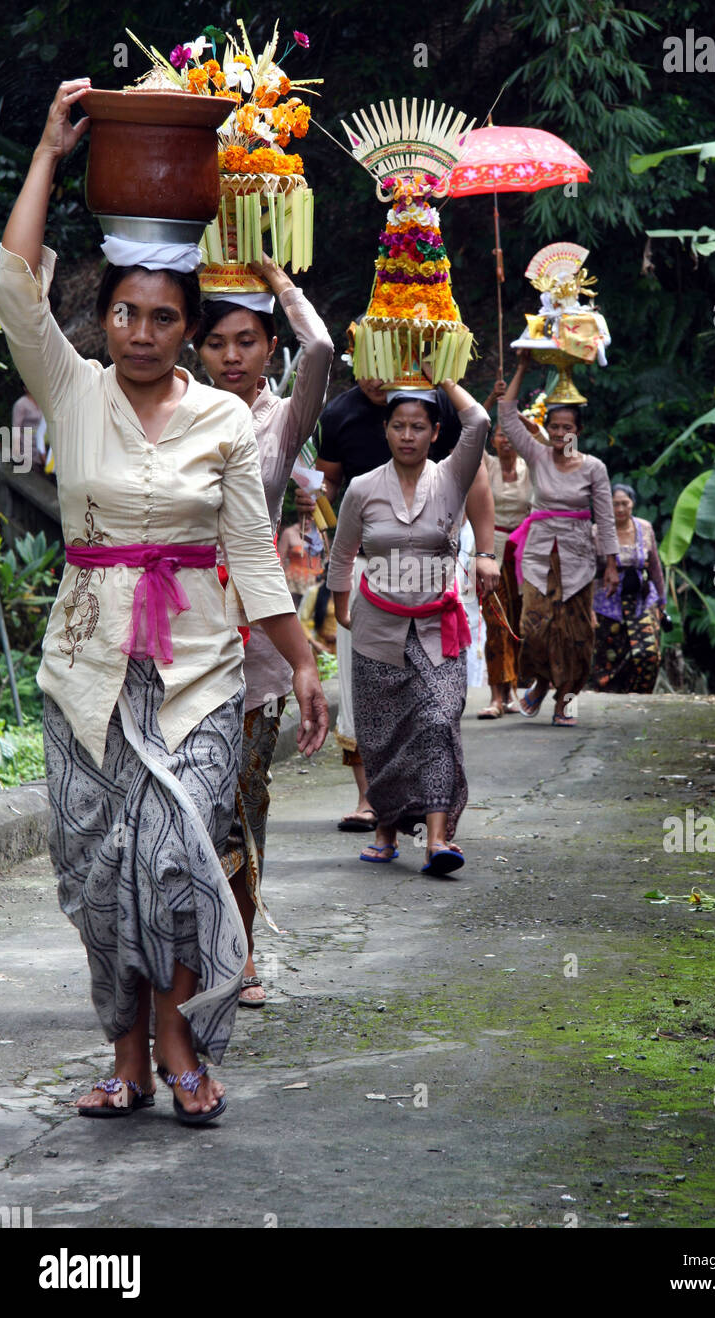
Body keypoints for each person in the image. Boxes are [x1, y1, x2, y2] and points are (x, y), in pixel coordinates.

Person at [0, 79, 329, 1125]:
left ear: (188, 328)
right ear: (108, 321)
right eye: (126, 315)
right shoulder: (71, 387)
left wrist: (304, 658)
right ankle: (125, 1055)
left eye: (163, 318)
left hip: (196, 668)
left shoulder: (224, 423)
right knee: (101, 872)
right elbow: (14, 283)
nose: (141, 332)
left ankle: (180, 1038)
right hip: (87, 665)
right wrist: (51, 152)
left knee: (179, 855)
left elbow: (249, 552)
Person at [194, 255, 332, 1007]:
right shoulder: (177, 408)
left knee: (245, 795)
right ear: (198, 349)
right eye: (217, 343)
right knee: (186, 800)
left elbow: (322, 352)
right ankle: (187, 948)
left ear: (267, 349)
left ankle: (241, 950)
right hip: (177, 631)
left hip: (258, 636)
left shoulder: (280, 420)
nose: (232, 357)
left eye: (247, 342)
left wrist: (279, 283)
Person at [297, 367, 499, 832]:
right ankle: (381, 815)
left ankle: (436, 835)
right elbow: (342, 550)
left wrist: (445, 378)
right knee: (379, 722)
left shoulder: (451, 473)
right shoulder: (359, 474)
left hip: (436, 614)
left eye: (419, 426)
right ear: (384, 429)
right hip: (373, 602)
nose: (408, 435)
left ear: (436, 432)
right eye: (398, 426)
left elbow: (480, 425)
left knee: (439, 718)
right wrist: (342, 605)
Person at [498, 350, 619, 726]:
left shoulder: (594, 468)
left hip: (580, 558)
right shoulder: (536, 456)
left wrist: (611, 564)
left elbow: (606, 516)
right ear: (546, 427)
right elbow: (505, 414)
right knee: (533, 628)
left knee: (578, 635)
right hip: (538, 554)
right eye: (554, 426)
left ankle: (565, 702)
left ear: (577, 431)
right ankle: (540, 681)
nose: (560, 433)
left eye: (567, 427)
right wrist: (521, 367)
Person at [477, 392, 533, 718]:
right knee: (496, 620)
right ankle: (497, 696)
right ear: (495, 440)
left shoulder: (532, 467)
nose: (506, 440)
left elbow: (541, 437)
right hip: (494, 547)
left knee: (523, 620)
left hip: (526, 550)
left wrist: (514, 415)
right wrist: (491, 399)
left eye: (512, 435)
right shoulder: (489, 465)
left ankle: (517, 690)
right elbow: (469, 430)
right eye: (501, 433)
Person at [590, 483, 667, 693]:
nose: (620, 509)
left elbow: (655, 567)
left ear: (632, 503)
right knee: (610, 657)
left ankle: (639, 696)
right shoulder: (597, 532)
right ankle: (611, 698)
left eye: (625, 503)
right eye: (615, 505)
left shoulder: (645, 528)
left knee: (647, 653)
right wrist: (588, 609)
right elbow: (588, 571)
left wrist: (662, 601)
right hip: (608, 602)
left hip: (641, 599)